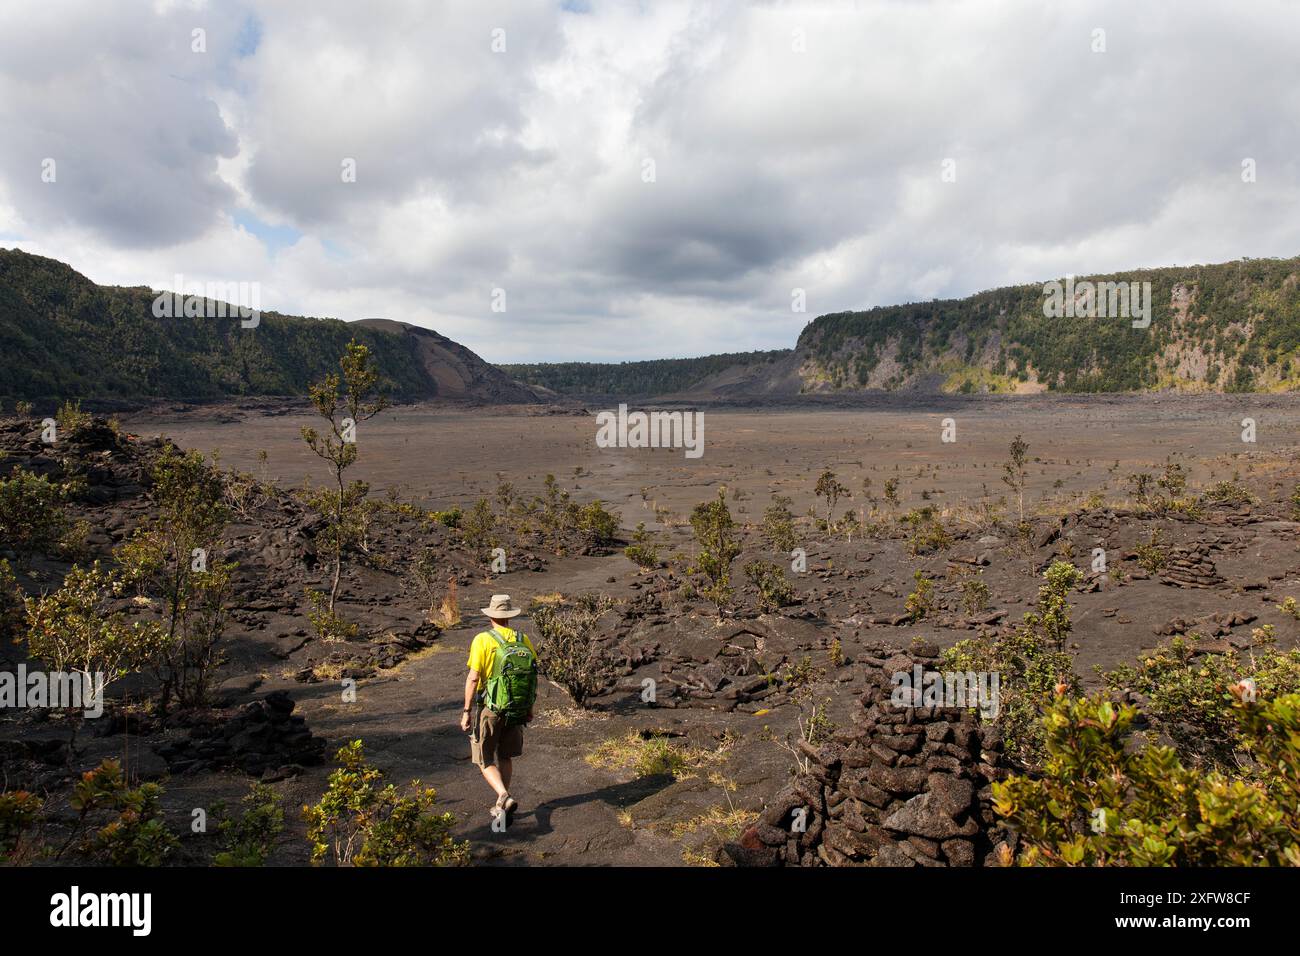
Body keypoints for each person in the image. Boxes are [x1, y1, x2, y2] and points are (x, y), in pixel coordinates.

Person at [460, 594, 537, 826]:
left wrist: (466, 711)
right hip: (516, 708)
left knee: (483, 758)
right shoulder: (523, 640)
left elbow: (473, 679)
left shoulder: (482, 640)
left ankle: (503, 795)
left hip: (491, 708)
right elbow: (531, 676)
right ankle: (501, 803)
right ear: (510, 616)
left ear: (491, 615)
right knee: (505, 756)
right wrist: (529, 707)